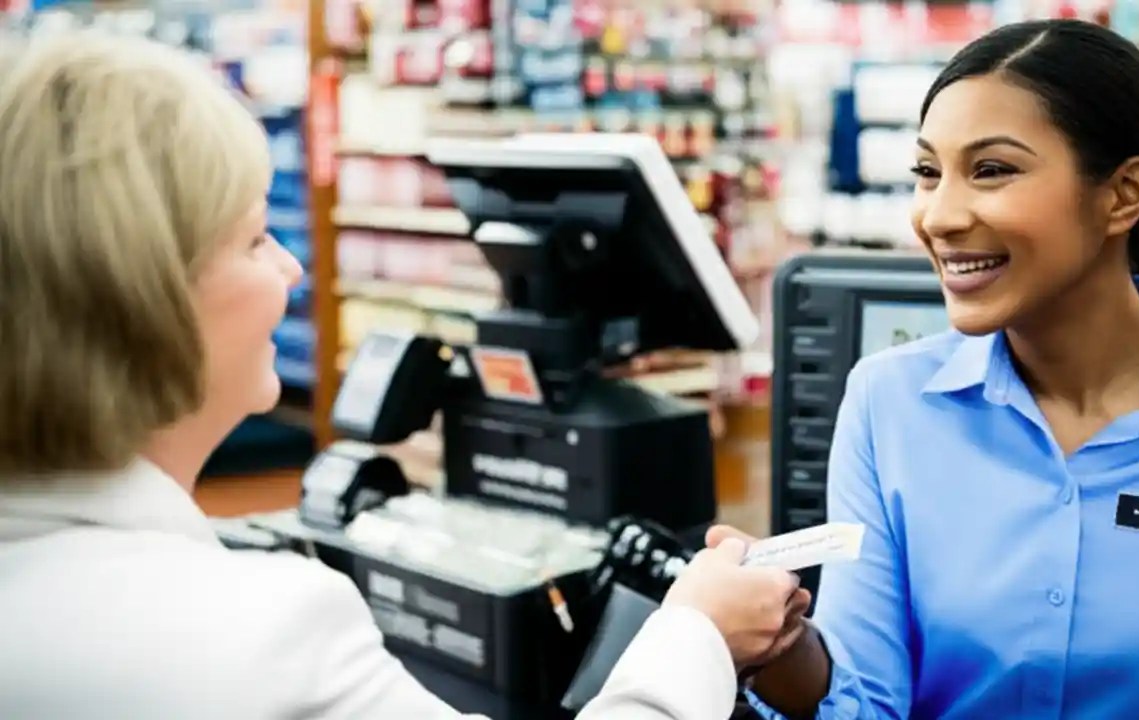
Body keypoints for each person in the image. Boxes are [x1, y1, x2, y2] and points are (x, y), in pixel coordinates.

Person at [0, 31, 808, 719]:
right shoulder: (263, 636)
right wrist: (700, 633)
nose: (288, 267)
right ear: (139, 299)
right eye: (251, 241)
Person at [705, 19, 1139, 719]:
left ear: (1123, 194)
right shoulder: (889, 406)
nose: (939, 216)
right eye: (927, 172)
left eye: (992, 170)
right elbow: (864, 703)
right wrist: (780, 645)